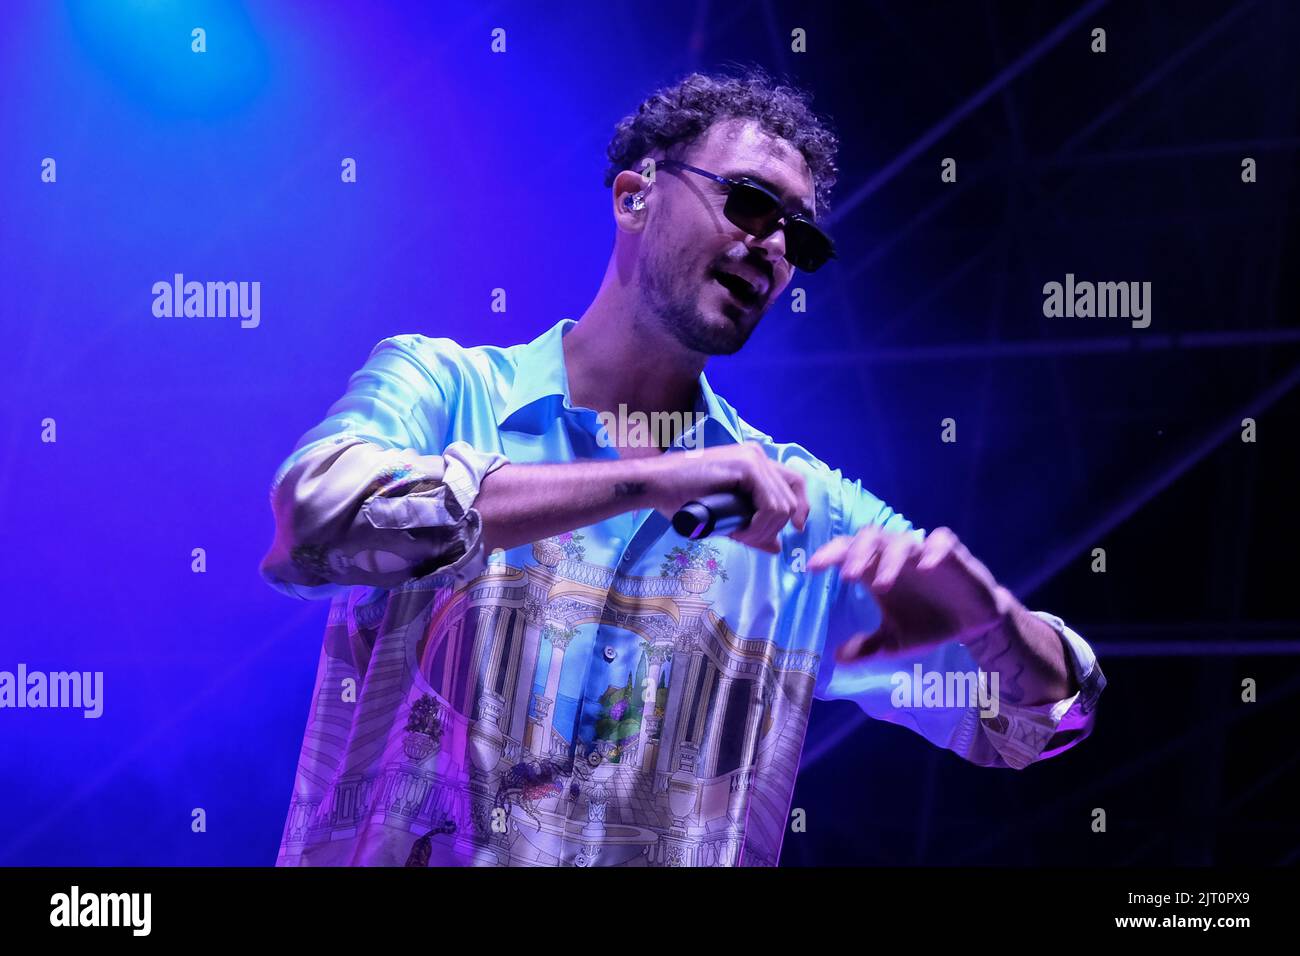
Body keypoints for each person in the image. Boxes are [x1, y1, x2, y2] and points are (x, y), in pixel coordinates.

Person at [259, 67, 1105, 867]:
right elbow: (311, 528)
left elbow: (1034, 724)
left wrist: (995, 621)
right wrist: (649, 478)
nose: (773, 245)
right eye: (748, 202)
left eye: (798, 238)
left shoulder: (805, 510)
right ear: (635, 197)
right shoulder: (444, 386)